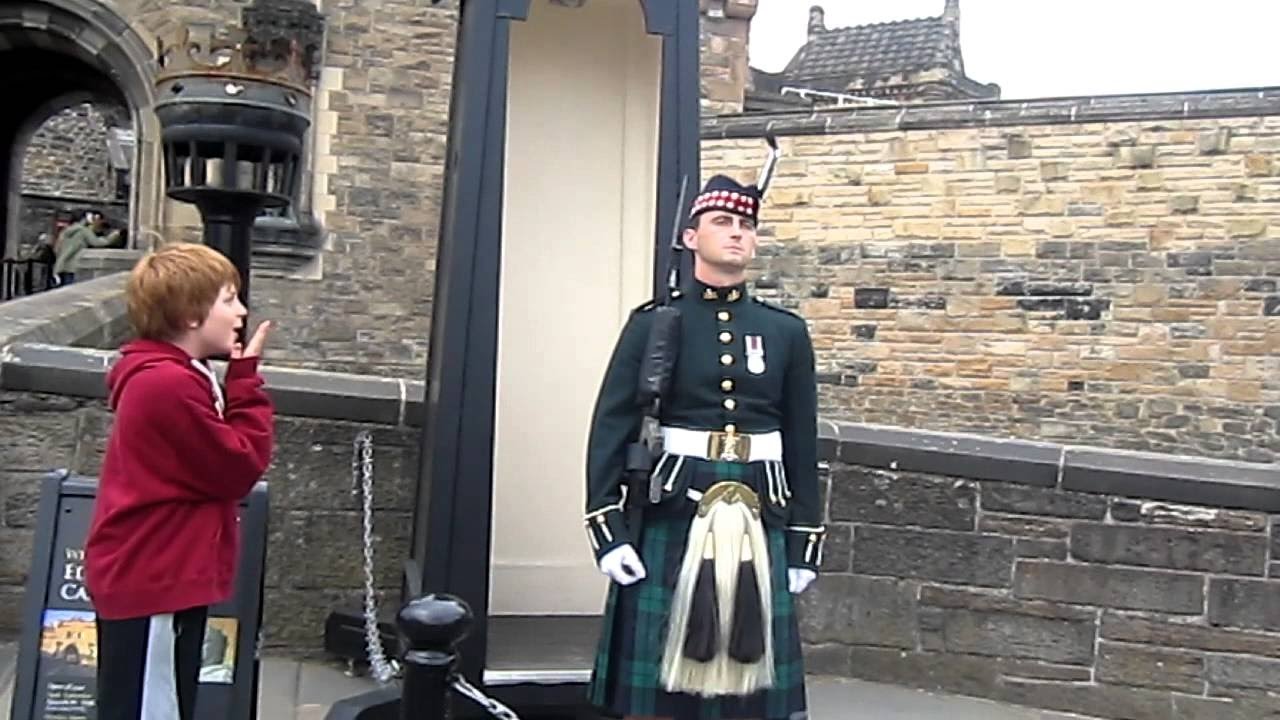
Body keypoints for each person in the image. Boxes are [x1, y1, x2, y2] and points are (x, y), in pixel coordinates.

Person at [584, 169, 825, 720]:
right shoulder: (654, 323)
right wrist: (608, 531)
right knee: (662, 685)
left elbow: (802, 441)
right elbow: (610, 426)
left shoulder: (785, 331)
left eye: (746, 224)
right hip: (675, 502)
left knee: (750, 679)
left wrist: (806, 540)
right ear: (691, 237)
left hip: (761, 507)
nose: (737, 233)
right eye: (722, 222)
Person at [83, 242, 275, 720]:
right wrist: (246, 382)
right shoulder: (165, 384)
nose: (241, 312)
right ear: (191, 313)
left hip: (160, 575)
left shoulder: (180, 375)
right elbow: (237, 466)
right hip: (153, 577)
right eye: (228, 299)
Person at [53, 210, 119, 285]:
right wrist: (113, 236)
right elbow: (97, 242)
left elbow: (57, 248)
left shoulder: (66, 231)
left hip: (60, 265)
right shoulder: (84, 231)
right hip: (73, 266)